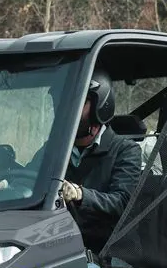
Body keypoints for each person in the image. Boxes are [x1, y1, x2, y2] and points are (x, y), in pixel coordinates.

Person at [59, 71, 143, 256]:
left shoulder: (125, 151)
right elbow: (33, 181)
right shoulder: (57, 150)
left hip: (110, 255)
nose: (70, 109)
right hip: (63, 248)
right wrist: (7, 182)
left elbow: (123, 203)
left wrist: (81, 195)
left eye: (80, 102)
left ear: (100, 105)